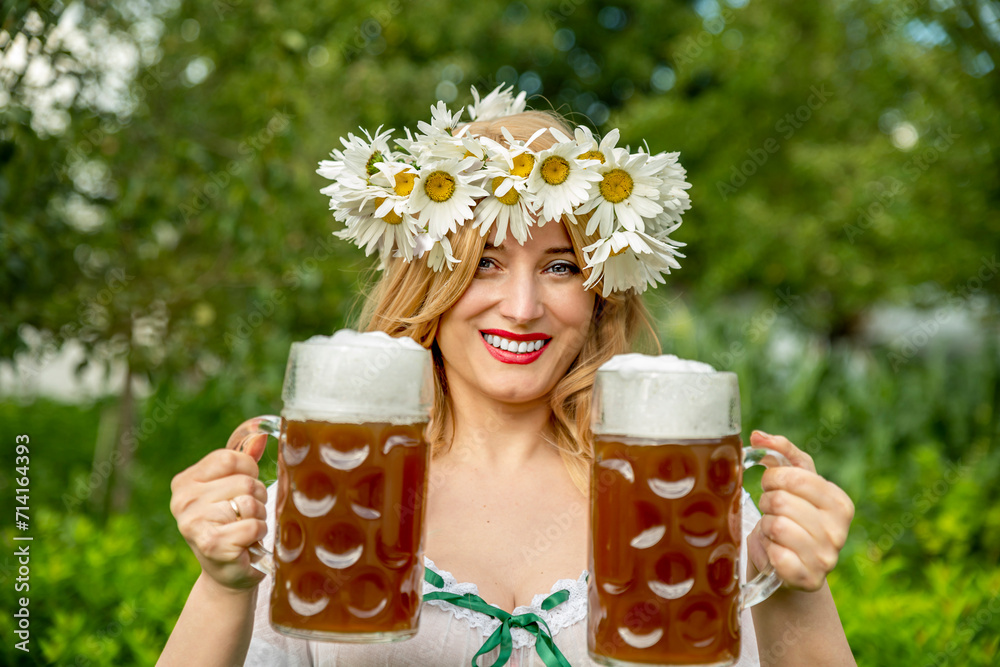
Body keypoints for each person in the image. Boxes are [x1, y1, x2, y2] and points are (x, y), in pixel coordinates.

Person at [160, 86, 857, 666]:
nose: (522, 308)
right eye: (485, 263)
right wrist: (223, 587)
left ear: (599, 292)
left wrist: (794, 591)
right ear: (429, 281)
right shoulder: (330, 492)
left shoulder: (684, 495)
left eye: (560, 266)